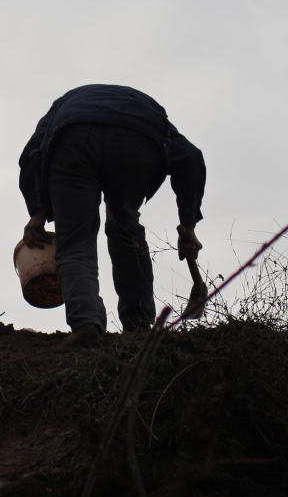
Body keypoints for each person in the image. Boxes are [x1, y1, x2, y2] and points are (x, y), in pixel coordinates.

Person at [19, 84, 206, 344]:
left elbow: (34, 152)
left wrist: (38, 212)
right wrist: (188, 223)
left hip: (74, 139)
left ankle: (86, 322)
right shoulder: (149, 112)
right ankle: (139, 326)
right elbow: (190, 157)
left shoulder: (64, 105)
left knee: (75, 241)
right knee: (125, 229)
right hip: (138, 143)